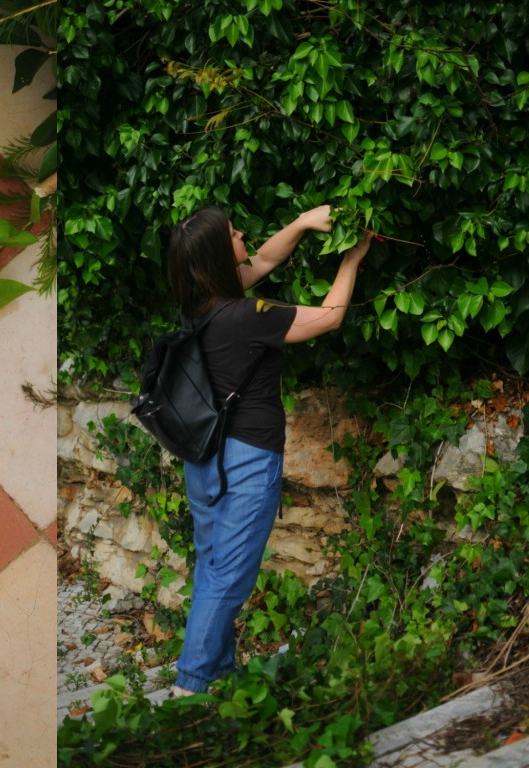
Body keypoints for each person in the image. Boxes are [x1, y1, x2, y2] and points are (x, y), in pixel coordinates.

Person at [165, 204, 373, 696]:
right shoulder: (246, 317)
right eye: (234, 235)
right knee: (231, 577)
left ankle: (216, 673)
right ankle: (189, 687)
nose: (244, 235)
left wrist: (303, 223)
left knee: (213, 566)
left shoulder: (198, 302)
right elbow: (328, 317)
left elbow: (263, 260)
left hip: (204, 458)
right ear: (219, 257)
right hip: (247, 459)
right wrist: (353, 257)